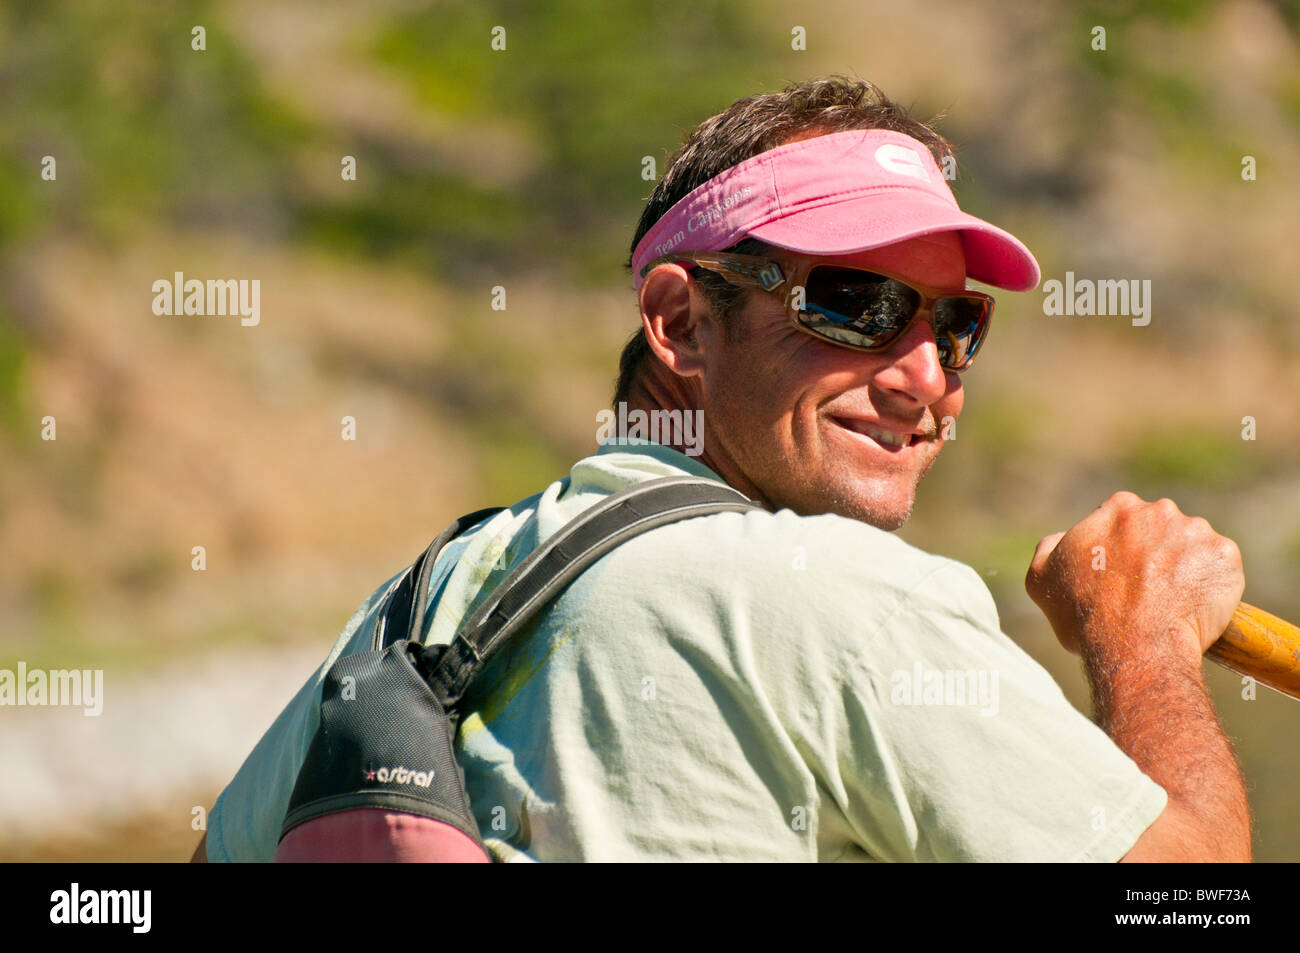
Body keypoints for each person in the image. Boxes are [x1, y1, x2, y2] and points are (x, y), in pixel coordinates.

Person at [194, 76, 1248, 862]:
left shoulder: (414, 609)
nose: (927, 375)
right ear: (681, 322)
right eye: (853, 304)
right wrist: (1143, 634)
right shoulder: (829, 595)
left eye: (955, 322)